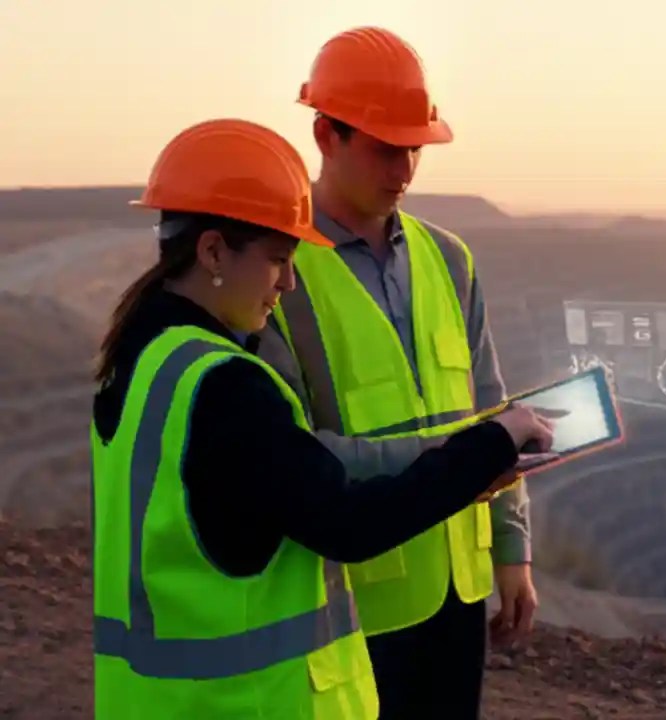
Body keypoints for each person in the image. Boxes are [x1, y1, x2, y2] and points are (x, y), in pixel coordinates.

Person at [90, 117, 554, 719]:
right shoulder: (226, 388)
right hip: (241, 706)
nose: (288, 281)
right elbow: (349, 522)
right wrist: (489, 447)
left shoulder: (142, 360)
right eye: (278, 259)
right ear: (213, 252)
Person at [253, 26, 536, 718]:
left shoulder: (449, 259)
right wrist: (460, 458)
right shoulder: (278, 274)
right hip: (355, 600)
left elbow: (490, 405)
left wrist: (512, 547)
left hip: (458, 592)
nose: (404, 169)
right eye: (386, 148)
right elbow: (294, 454)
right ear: (326, 135)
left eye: (415, 149)